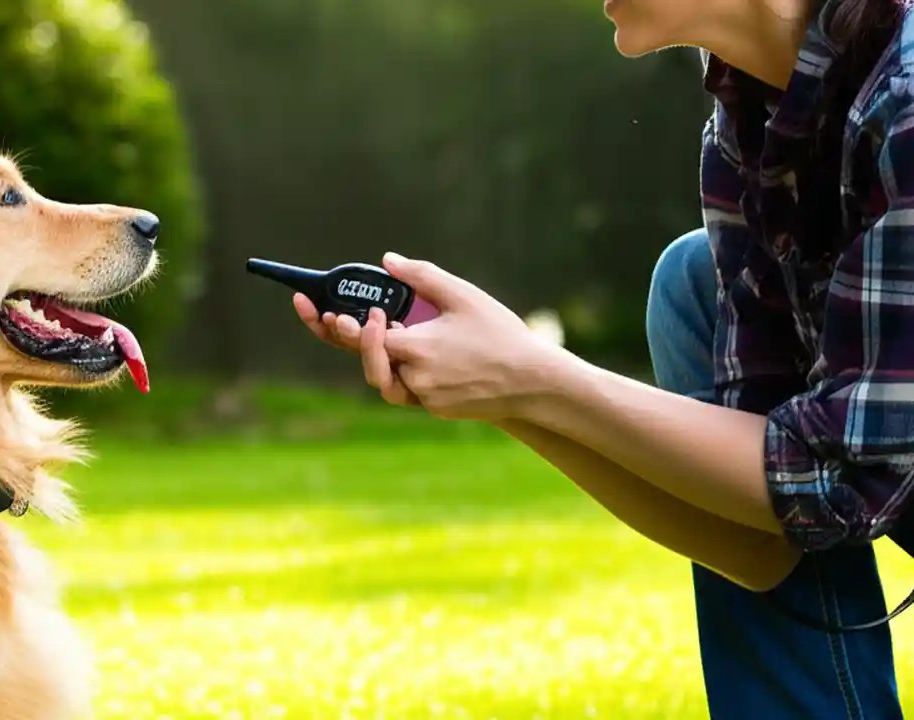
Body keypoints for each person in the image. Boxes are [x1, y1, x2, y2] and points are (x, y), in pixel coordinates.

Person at [292, 0, 914, 717]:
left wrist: (535, 372)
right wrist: (508, 394)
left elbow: (840, 475)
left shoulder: (903, 102)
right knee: (693, 284)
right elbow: (762, 547)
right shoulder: (748, 124)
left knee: (690, 280)